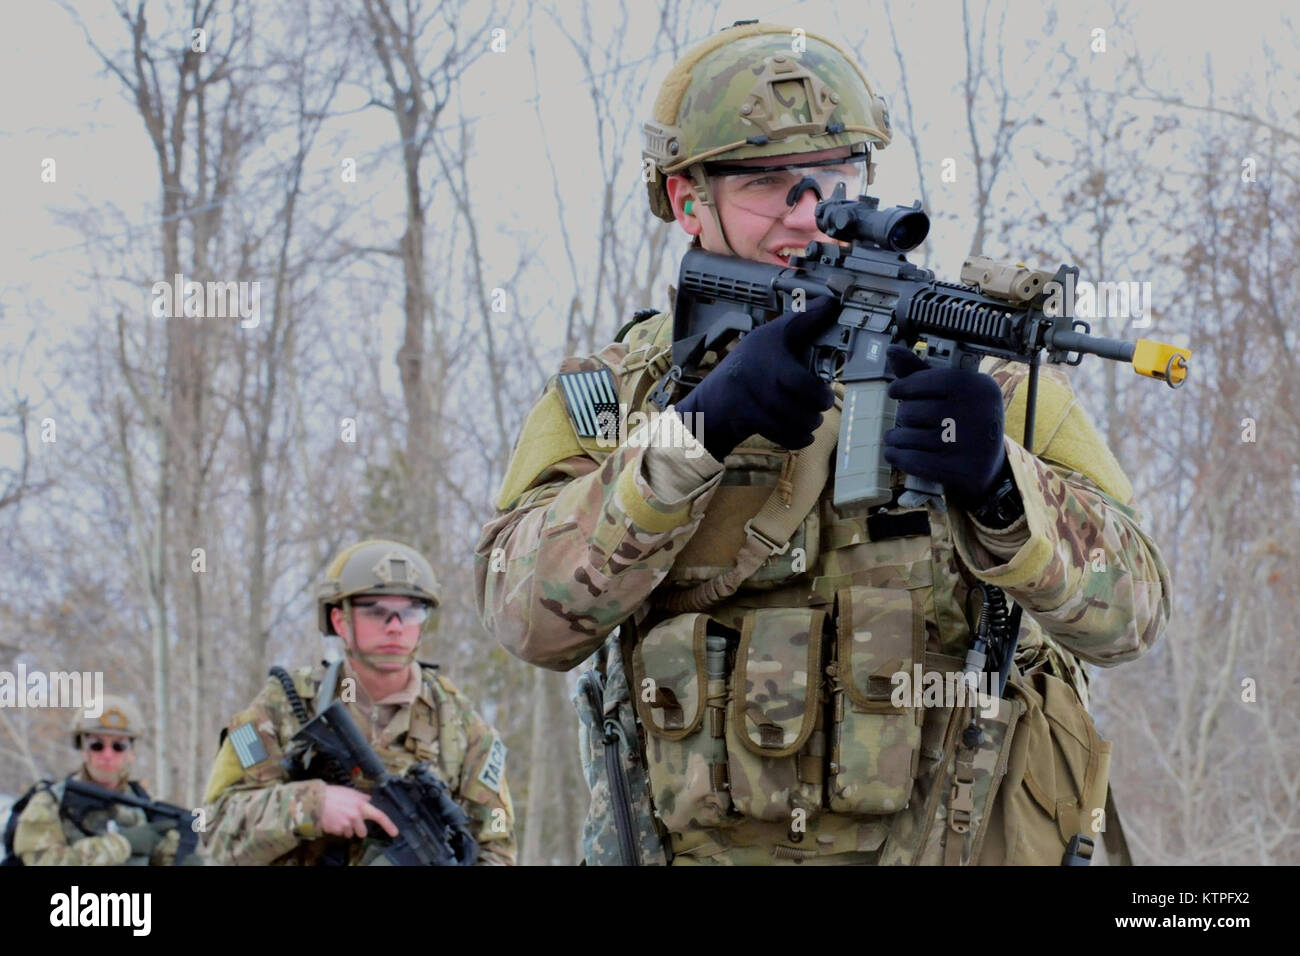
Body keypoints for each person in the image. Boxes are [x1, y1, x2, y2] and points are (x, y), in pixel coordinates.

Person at [476, 22, 1171, 865]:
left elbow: (1131, 621)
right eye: (767, 182)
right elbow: (530, 623)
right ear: (688, 199)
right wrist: (695, 437)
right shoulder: (622, 395)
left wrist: (1001, 485)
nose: (807, 212)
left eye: (834, 179)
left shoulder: (987, 385)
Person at [202, 539, 516, 865]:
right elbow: (214, 831)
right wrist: (311, 806)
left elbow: (497, 848)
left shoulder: (463, 727)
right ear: (340, 621)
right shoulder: (279, 707)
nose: (395, 626)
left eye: (410, 612)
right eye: (376, 611)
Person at [9, 695, 183, 865]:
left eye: (119, 746)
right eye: (97, 745)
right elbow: (44, 861)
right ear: (84, 750)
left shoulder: (144, 806)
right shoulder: (50, 803)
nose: (107, 755)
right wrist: (122, 844)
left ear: (131, 754)